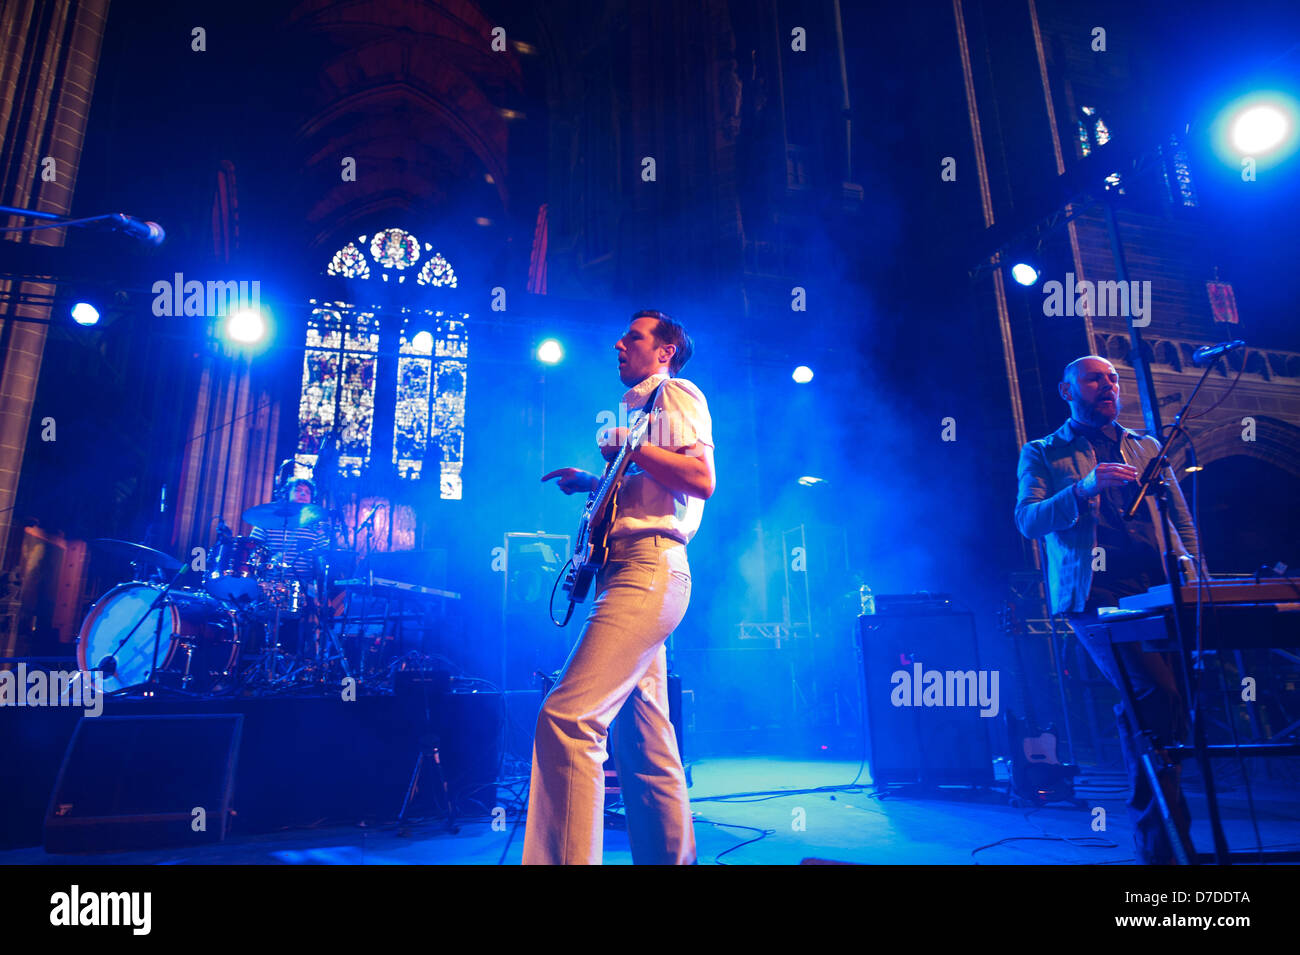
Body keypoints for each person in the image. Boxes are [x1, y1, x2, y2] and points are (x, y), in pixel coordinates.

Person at [524, 309, 714, 865]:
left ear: (665, 351)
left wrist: (630, 449)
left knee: (568, 719)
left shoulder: (675, 393)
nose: (619, 344)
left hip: (646, 571)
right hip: (633, 572)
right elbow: (654, 485)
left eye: (634, 336)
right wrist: (596, 481)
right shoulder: (644, 415)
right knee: (644, 743)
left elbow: (701, 479)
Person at [1015, 355, 1201, 864]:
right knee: (1155, 692)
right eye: (1095, 378)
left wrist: (1196, 573)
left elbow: (1181, 520)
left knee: (1161, 706)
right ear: (1067, 390)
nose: (1109, 385)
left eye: (1114, 378)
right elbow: (1028, 521)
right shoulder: (1043, 451)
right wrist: (1083, 489)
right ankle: (1162, 839)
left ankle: (1160, 840)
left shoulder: (1146, 446)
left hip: (1158, 589)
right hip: (1094, 594)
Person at [250, 477, 332, 577]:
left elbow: (325, 556)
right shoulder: (267, 522)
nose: (303, 494)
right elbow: (252, 549)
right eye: (298, 490)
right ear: (287, 494)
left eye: (308, 492)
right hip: (269, 582)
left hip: (303, 584)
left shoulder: (315, 528)